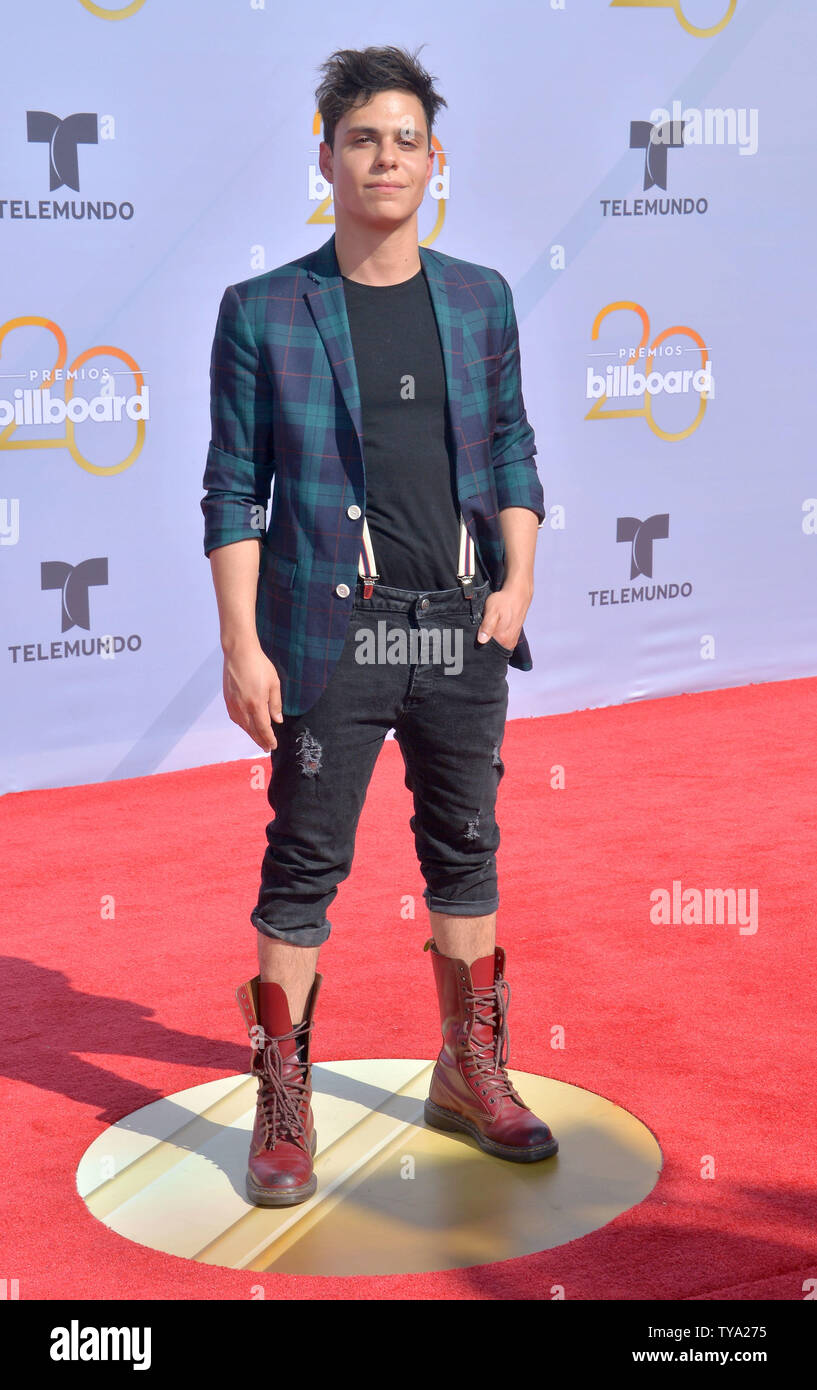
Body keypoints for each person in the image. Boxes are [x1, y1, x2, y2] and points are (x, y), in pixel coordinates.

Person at [202, 44, 558, 1209]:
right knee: (302, 866)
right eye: (363, 138)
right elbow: (233, 488)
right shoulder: (265, 310)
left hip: (459, 625)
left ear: (434, 159)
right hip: (331, 633)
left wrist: (515, 588)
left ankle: (468, 1069)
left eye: (405, 138)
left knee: (468, 851)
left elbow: (511, 445)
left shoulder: (479, 296)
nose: (385, 156)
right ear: (326, 155)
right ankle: (282, 1101)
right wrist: (241, 645)